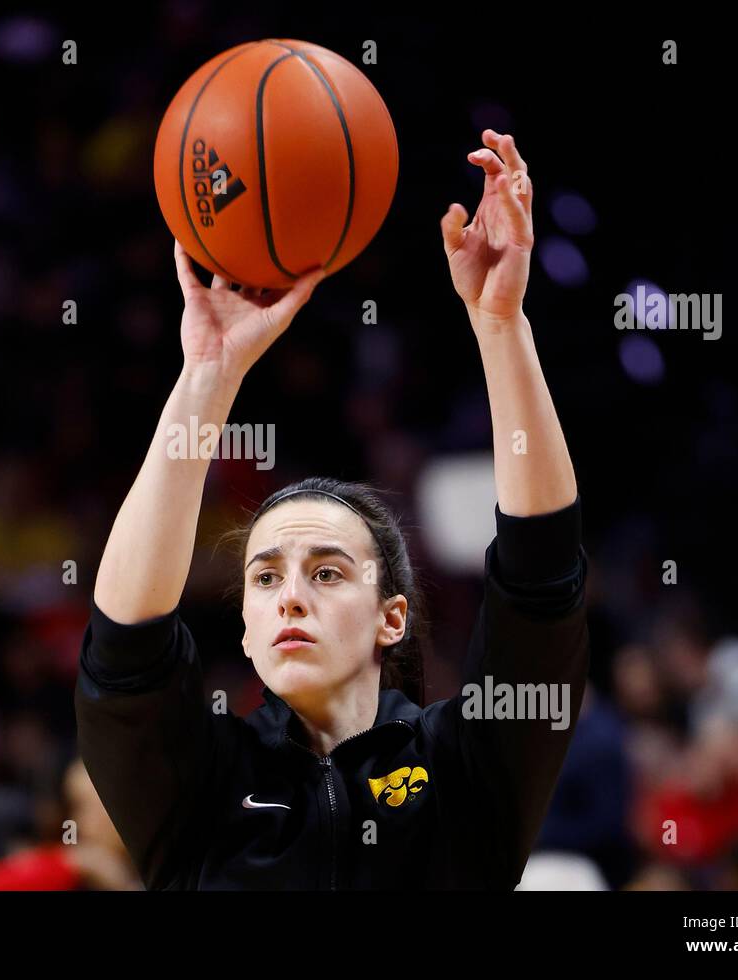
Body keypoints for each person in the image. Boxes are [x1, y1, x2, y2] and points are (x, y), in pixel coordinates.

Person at [75, 130, 589, 889]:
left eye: (326, 571)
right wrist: (208, 379)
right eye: (264, 578)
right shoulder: (202, 782)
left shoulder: (468, 764)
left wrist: (501, 325)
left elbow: (541, 578)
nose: (289, 595)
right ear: (244, 631)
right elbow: (124, 643)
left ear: (392, 618)